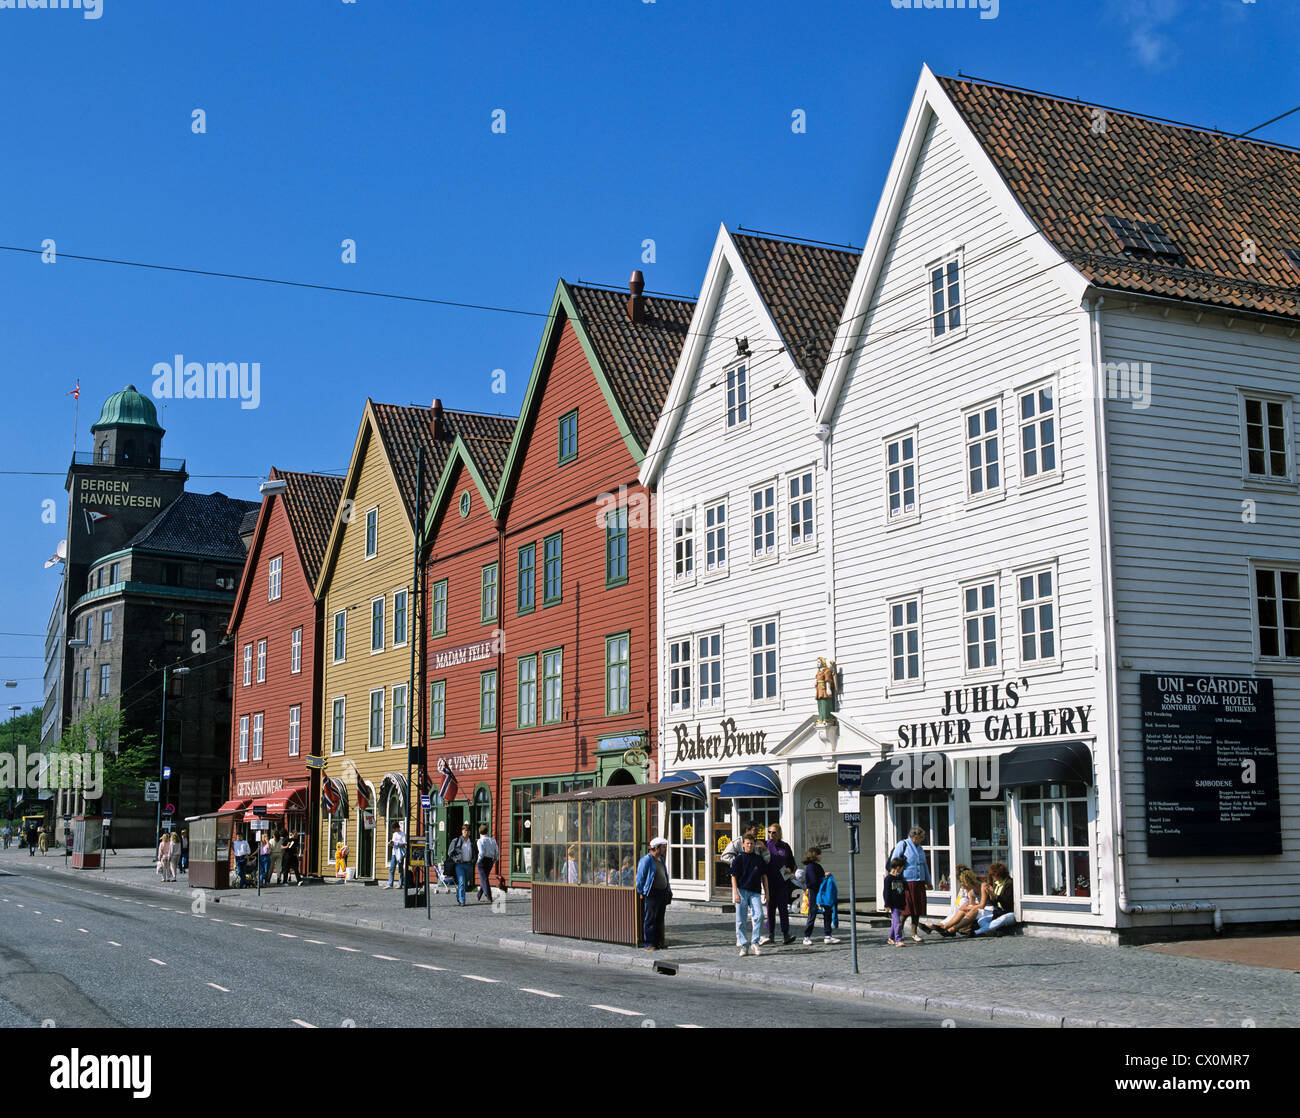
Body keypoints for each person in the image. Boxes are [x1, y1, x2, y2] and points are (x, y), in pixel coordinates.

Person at [890, 826, 931, 943]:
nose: (923, 839)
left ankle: (914, 933)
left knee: (917, 909)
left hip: (919, 882)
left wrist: (928, 881)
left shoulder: (920, 848)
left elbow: (924, 865)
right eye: (921, 837)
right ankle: (897, 934)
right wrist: (895, 878)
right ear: (915, 837)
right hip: (906, 882)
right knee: (906, 909)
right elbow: (895, 862)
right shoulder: (903, 845)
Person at [730, 834, 769, 957]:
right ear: (743, 844)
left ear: (754, 844)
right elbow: (733, 876)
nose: (749, 845)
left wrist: (767, 893)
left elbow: (764, 877)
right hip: (741, 891)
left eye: (752, 843)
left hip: (755, 892)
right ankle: (743, 945)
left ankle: (755, 942)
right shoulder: (739, 859)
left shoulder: (758, 859)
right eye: (747, 843)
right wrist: (735, 893)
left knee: (759, 915)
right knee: (740, 920)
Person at [761, 822, 798, 945]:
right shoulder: (765, 845)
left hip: (782, 881)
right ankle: (770, 934)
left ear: (779, 833)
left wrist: (790, 868)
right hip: (769, 882)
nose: (771, 834)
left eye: (773, 832)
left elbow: (792, 862)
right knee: (770, 908)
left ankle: (785, 934)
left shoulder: (785, 846)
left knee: (783, 908)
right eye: (769, 832)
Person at [921, 868, 985, 937]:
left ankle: (946, 928)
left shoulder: (981, 887)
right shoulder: (970, 891)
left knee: (961, 911)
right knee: (958, 912)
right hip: (969, 908)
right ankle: (942, 927)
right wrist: (968, 907)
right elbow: (970, 903)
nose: (964, 886)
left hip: (983, 909)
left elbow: (981, 904)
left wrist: (968, 907)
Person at [636, 836, 671, 950]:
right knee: (650, 918)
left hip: (662, 892)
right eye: (663, 847)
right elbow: (640, 878)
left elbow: (665, 875)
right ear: (657, 848)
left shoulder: (661, 859)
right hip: (652, 893)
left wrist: (668, 889)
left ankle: (658, 942)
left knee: (660, 918)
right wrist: (641, 891)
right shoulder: (646, 860)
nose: (665, 849)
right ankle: (649, 943)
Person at [799, 847, 839, 945]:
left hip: (820, 893)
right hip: (814, 893)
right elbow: (813, 881)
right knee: (812, 914)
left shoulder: (815, 866)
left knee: (827, 912)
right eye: (819, 854)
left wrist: (823, 876)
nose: (821, 856)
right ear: (814, 855)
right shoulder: (811, 867)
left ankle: (828, 935)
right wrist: (822, 878)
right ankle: (806, 937)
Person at [971, 863, 1016, 937]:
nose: (992, 877)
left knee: (1001, 919)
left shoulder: (1009, 884)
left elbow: (1006, 902)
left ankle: (977, 932)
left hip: (1009, 912)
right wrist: (991, 895)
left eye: (993, 875)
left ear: (998, 874)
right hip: (999, 911)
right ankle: (995, 930)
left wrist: (993, 894)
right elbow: (995, 903)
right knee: (981, 920)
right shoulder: (997, 884)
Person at [448, 823, 476, 906]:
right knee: (462, 882)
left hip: (469, 864)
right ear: (462, 831)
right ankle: (462, 900)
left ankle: (458, 895)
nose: (466, 833)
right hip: (459, 865)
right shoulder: (456, 840)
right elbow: (450, 852)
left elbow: (475, 853)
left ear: (470, 832)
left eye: (467, 831)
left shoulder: (472, 842)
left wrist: (473, 861)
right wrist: (456, 859)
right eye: (464, 831)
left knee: (465, 882)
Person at [883, 856, 908, 946]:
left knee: (895, 922)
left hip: (900, 903)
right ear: (898, 867)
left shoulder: (900, 878)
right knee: (898, 922)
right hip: (893, 904)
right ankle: (898, 940)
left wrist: (904, 902)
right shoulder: (888, 879)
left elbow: (902, 892)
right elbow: (886, 892)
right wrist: (887, 904)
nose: (902, 869)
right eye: (902, 868)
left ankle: (890, 938)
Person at [475, 823, 499, 902]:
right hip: (490, 860)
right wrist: (495, 859)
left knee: (484, 878)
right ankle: (479, 895)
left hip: (482, 861)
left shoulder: (480, 841)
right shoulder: (492, 840)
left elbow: (481, 853)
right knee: (484, 878)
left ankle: (489, 897)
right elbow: (497, 851)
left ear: (479, 832)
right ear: (487, 831)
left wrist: (478, 861)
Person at [384, 823, 406, 889]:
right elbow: (393, 842)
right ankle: (390, 884)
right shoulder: (394, 834)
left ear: (397, 828)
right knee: (392, 868)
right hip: (394, 852)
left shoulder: (402, 834)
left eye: (395, 829)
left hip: (400, 853)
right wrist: (391, 843)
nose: (394, 830)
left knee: (400, 868)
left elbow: (404, 844)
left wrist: (397, 843)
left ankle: (400, 884)